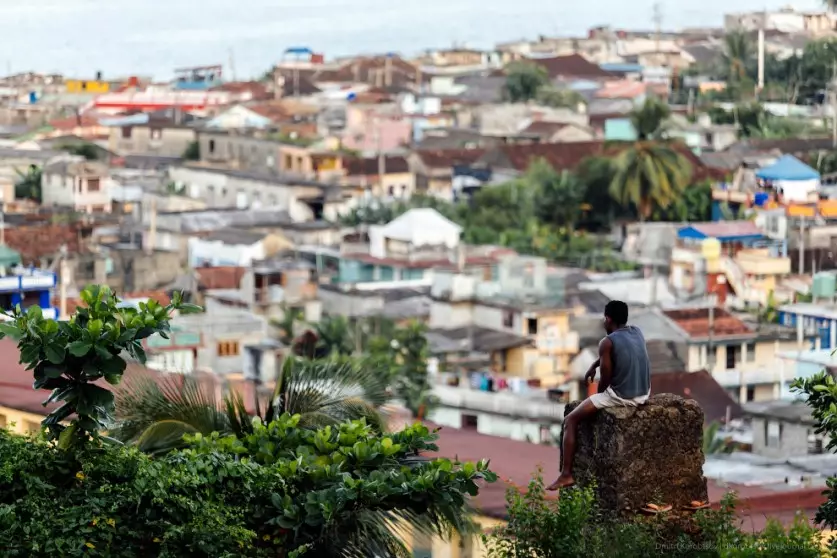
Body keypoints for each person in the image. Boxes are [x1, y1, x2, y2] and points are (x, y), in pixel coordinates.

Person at [547, 300, 651, 491]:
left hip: (623, 397)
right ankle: (566, 474)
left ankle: (566, 474)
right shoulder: (637, 331)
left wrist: (597, 401)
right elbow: (613, 354)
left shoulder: (607, 342)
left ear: (608, 319)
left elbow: (605, 380)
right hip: (643, 393)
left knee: (570, 419)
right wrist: (594, 365)